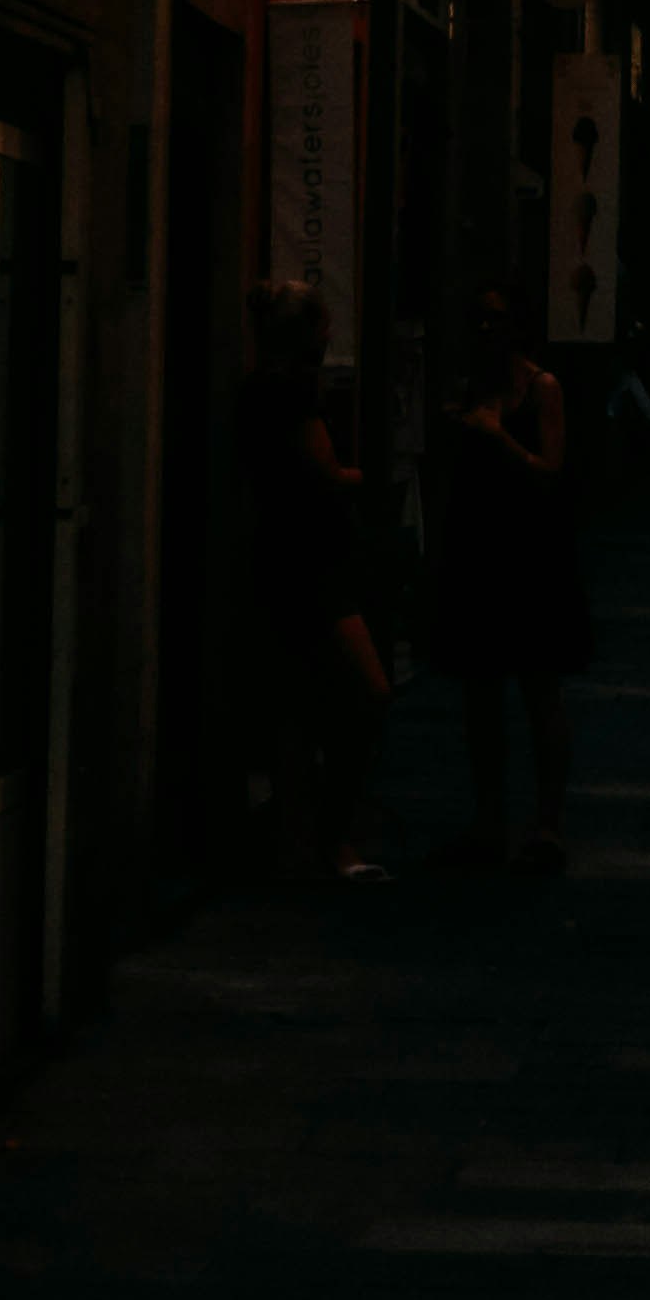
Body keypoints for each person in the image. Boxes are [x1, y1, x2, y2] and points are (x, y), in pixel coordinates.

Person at [427, 285, 590, 869]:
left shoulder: (541, 389)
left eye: (497, 320)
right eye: (480, 321)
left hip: (531, 557)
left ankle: (547, 824)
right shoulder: (470, 390)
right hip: (480, 556)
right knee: (482, 695)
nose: (487, 332)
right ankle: (489, 819)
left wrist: (496, 439)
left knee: (539, 689)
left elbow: (551, 470)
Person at [241, 278, 388, 883]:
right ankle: (333, 837)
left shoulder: (260, 388)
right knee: (367, 693)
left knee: (299, 704)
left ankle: (302, 838)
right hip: (312, 567)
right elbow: (322, 471)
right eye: (323, 324)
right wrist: (367, 478)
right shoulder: (291, 391)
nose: (331, 335)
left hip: (285, 561)